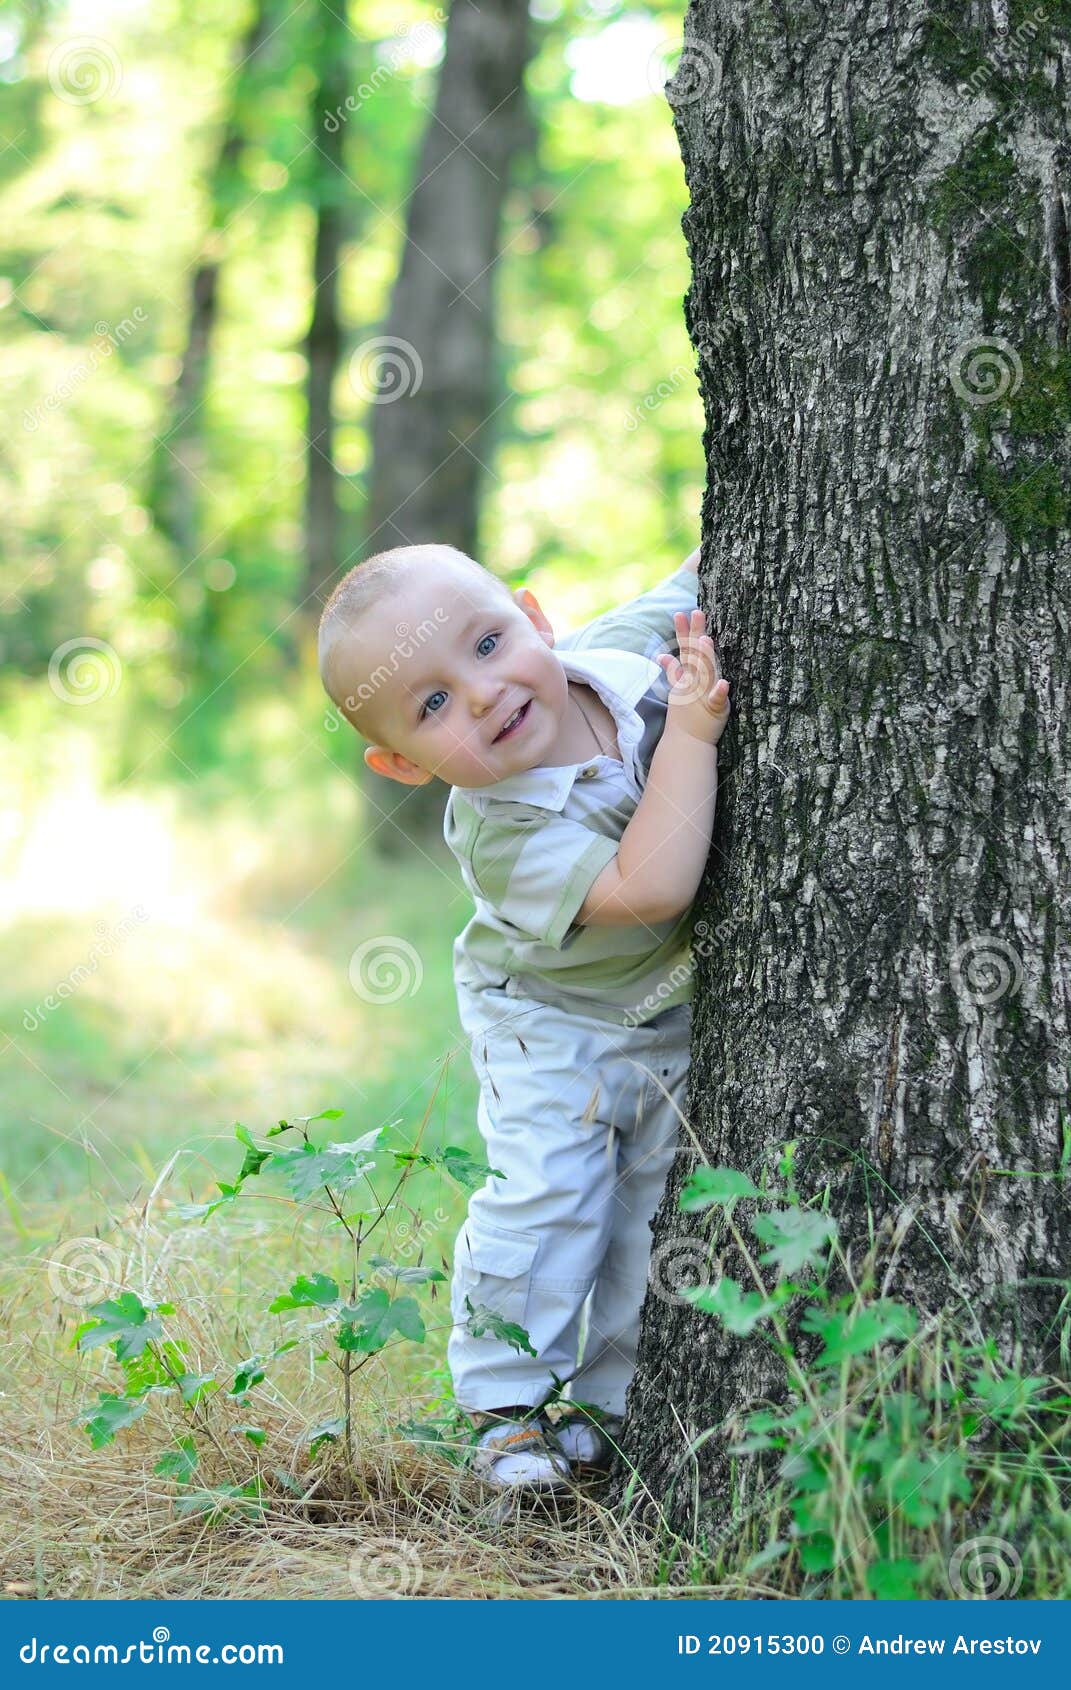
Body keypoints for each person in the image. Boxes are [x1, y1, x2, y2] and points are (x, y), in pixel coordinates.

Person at [318, 542, 730, 1490]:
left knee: (656, 1208)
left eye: (488, 642)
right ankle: (503, 1408)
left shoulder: (617, 660)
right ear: (401, 764)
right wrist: (692, 739)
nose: (479, 693)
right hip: (548, 1023)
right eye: (428, 706)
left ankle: (606, 1406)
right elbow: (654, 883)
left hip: (658, 1010)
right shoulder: (499, 830)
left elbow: (685, 579)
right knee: (552, 1195)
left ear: (537, 619)